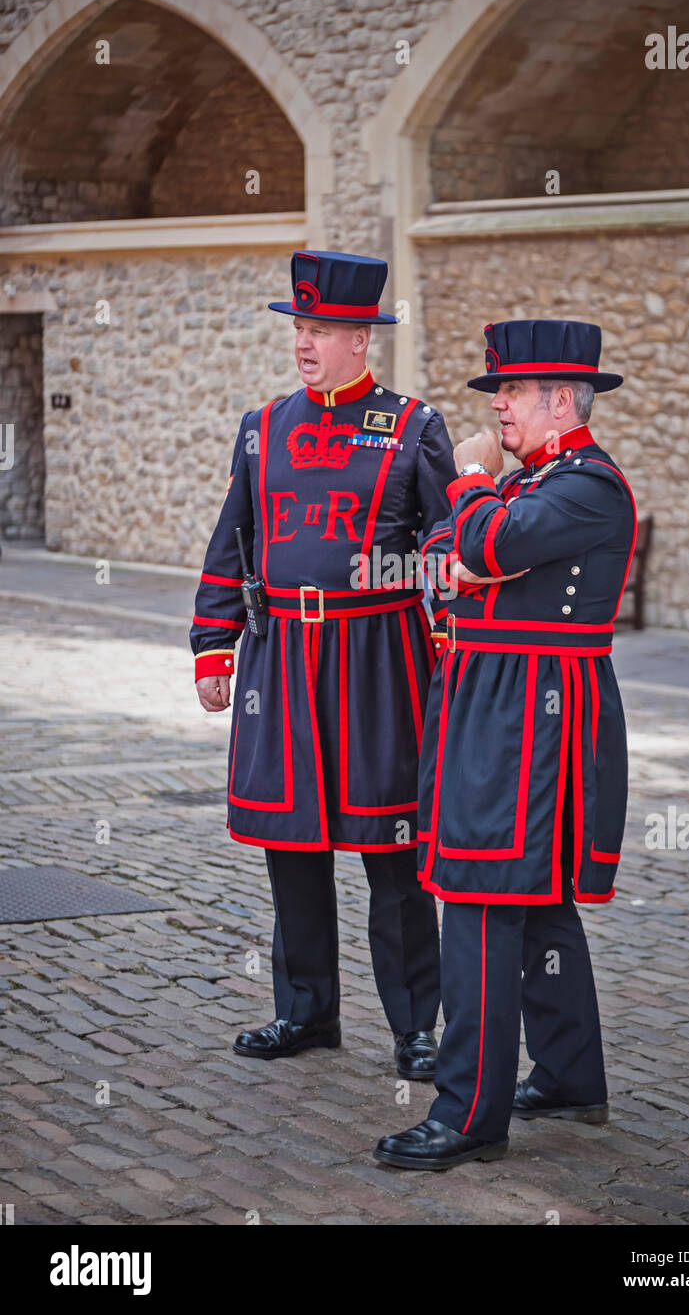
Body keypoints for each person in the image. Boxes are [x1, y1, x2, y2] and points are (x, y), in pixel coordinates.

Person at [374, 318, 637, 1168]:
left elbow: (482, 544)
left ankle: (466, 1114)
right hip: (498, 703)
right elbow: (446, 558)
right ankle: (568, 1075)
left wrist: (472, 484)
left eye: (512, 392)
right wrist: (473, 525)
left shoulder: (587, 485)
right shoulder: (535, 483)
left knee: (483, 899)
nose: (498, 408)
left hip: (534, 716)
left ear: (562, 399)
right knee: (535, 899)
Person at [190, 250, 457, 1081]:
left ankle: (416, 1029)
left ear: (361, 341)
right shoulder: (262, 427)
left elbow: (447, 547)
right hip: (281, 659)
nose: (305, 343)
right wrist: (213, 641)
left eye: (322, 330)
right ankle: (305, 1013)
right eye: (301, 328)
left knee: (395, 850)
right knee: (290, 841)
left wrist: (454, 647)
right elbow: (232, 540)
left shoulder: (415, 425)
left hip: (382, 658)